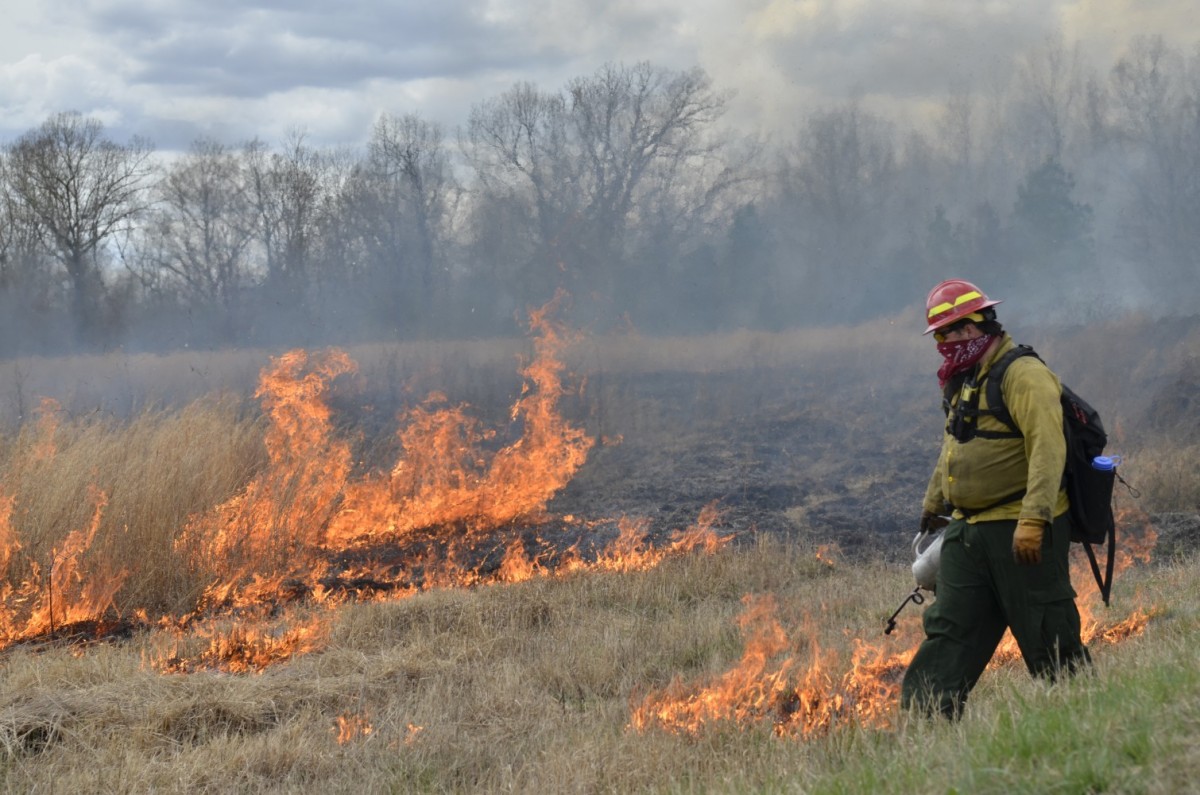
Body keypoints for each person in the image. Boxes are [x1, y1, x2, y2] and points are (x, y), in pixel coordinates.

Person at [900, 278, 1091, 719]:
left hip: (1019, 530)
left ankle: (1082, 715)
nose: (942, 346)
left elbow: (1048, 448)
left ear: (971, 327)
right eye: (939, 337)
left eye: (946, 334)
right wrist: (935, 501)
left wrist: (1034, 520)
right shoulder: (964, 379)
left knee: (1048, 630)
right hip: (968, 533)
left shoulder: (1023, 374)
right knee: (949, 631)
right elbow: (955, 443)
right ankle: (924, 725)